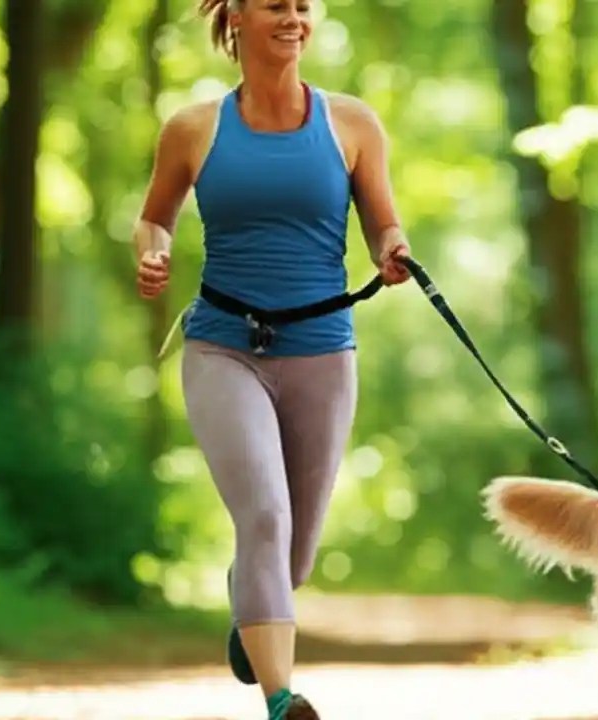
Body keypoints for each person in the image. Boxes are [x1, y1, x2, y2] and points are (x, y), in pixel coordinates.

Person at [132, 0, 412, 717]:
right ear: (238, 17)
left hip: (322, 350)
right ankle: (282, 698)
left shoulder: (351, 124)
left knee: (296, 552)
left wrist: (392, 253)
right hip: (224, 345)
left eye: (301, 5)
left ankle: (250, 612)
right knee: (264, 513)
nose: (292, 17)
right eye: (274, 5)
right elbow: (154, 215)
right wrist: (154, 253)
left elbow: (383, 221)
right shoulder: (194, 128)